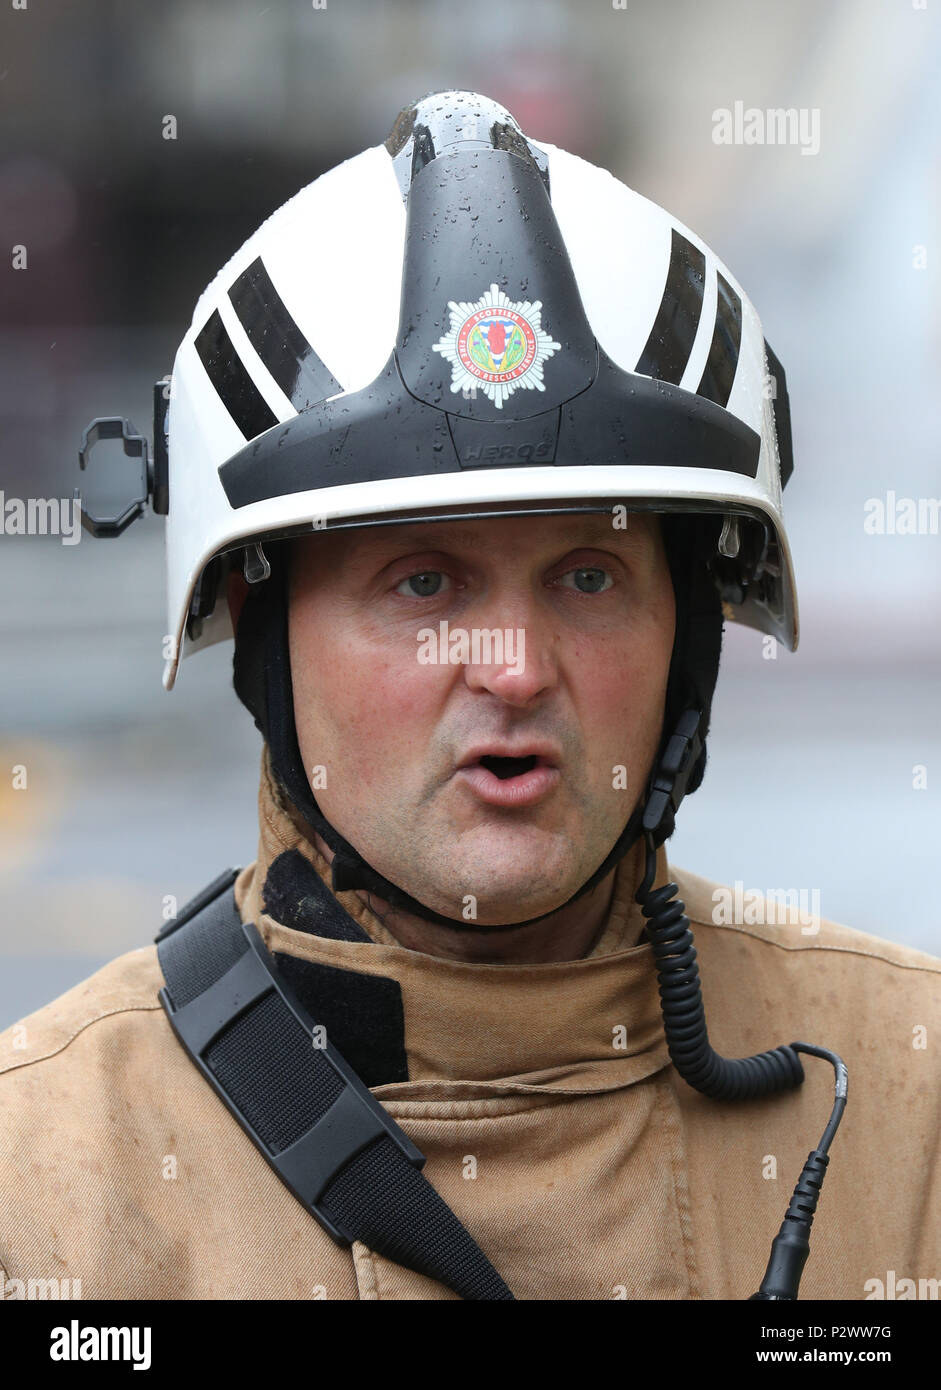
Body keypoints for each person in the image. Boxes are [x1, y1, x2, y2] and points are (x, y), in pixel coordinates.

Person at [1, 91, 938, 1303]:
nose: (513, 665)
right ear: (257, 619)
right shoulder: (48, 1187)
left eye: (587, 576)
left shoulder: (906, 1103)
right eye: (423, 583)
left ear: (691, 630)